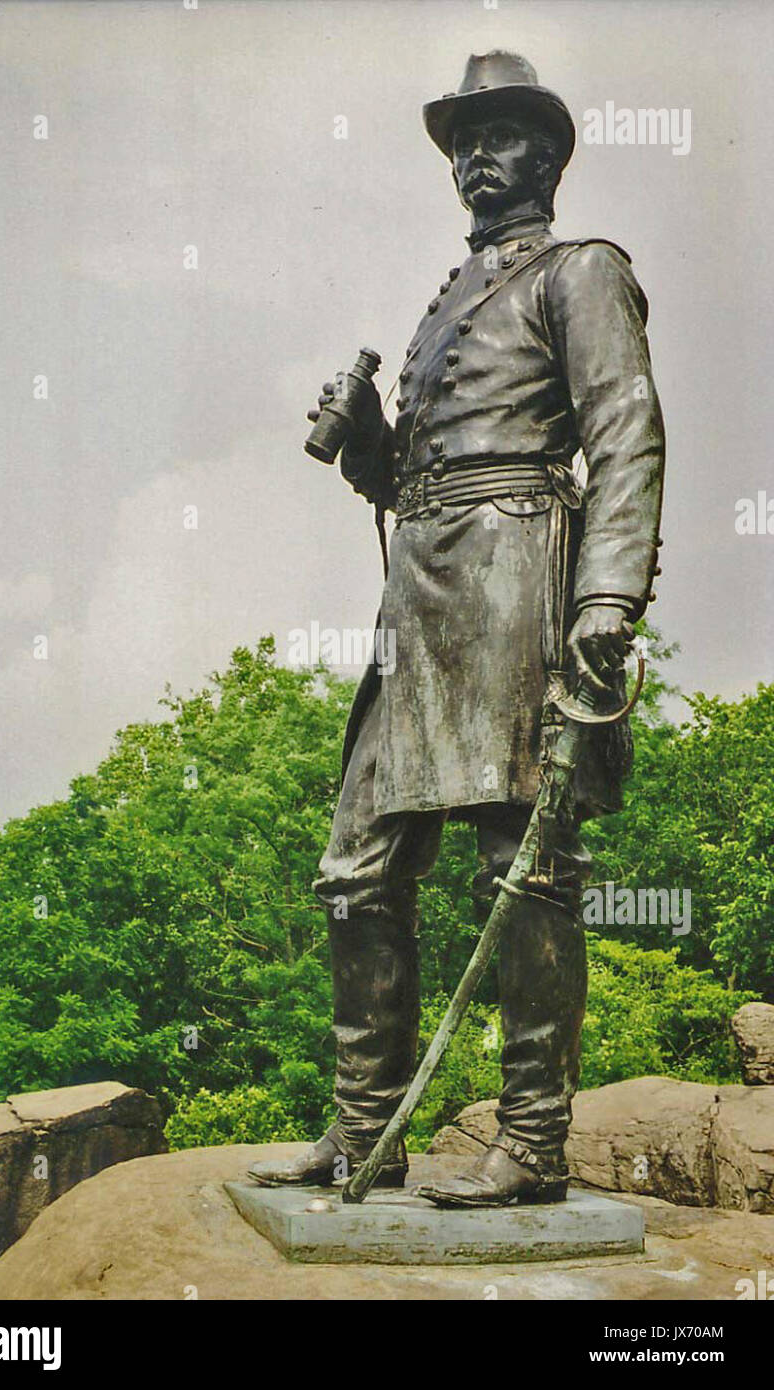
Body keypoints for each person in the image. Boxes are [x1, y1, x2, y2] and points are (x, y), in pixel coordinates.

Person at [248, 51, 665, 1206]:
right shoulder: (445, 300)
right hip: (422, 594)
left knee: (522, 867)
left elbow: (625, 434)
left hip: (517, 572)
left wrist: (606, 602)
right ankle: (361, 1125)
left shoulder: (581, 273)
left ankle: (532, 1139)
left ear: (550, 153)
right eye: (461, 140)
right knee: (356, 871)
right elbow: (410, 484)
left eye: (500, 133)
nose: (475, 155)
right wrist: (369, 445)